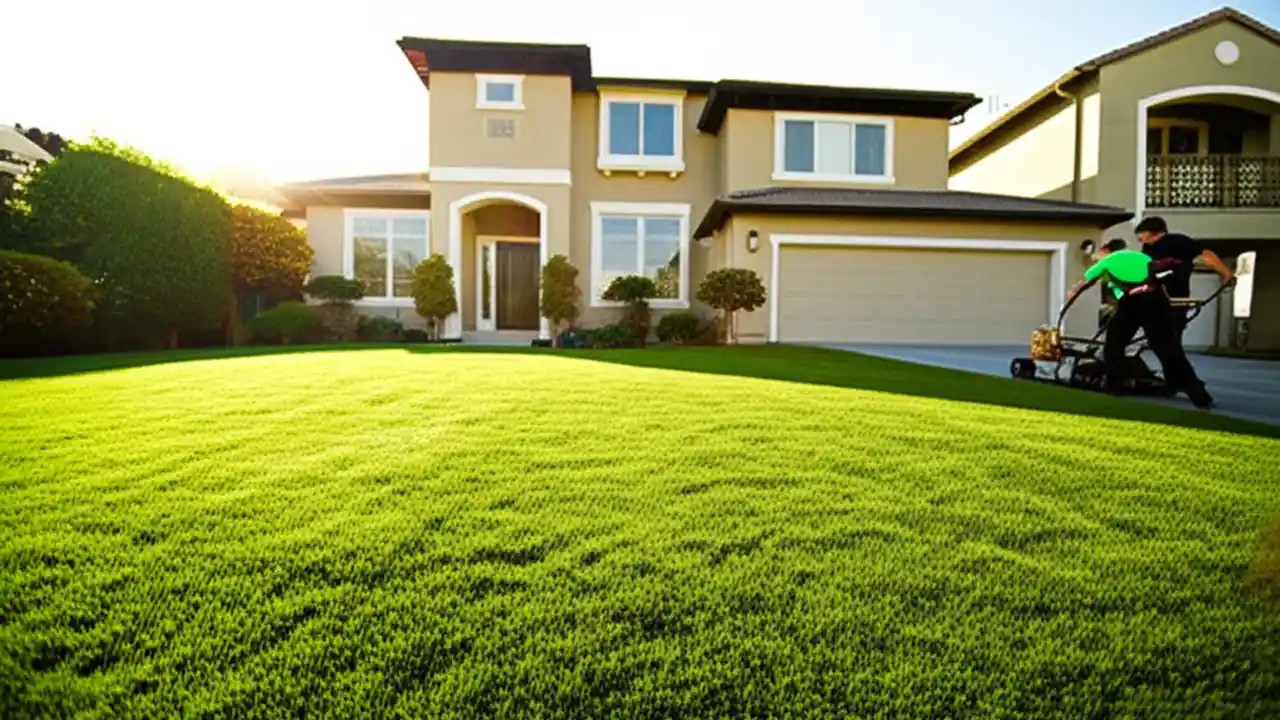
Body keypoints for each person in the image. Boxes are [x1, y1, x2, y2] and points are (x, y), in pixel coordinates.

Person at [1064, 238, 1214, 409]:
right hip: (1158, 301)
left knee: (1114, 345)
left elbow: (1084, 284)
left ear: (1106, 251)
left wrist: (1070, 296)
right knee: (1169, 349)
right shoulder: (1141, 256)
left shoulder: (1105, 262)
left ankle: (1116, 386)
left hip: (1133, 303)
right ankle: (1198, 394)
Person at [1134, 216, 1234, 338]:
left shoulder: (1177, 241)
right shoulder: (1148, 248)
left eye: (1141, 234)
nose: (1139, 238)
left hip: (1176, 298)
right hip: (1155, 298)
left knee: (1172, 335)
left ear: (1150, 232)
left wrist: (1226, 274)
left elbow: (1207, 255)